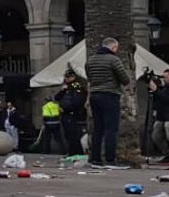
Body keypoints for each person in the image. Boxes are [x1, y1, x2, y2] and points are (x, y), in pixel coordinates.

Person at [83, 37, 131, 166]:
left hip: (95, 95)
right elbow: (125, 79)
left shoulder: (90, 60)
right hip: (110, 95)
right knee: (111, 128)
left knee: (98, 128)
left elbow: (89, 76)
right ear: (113, 47)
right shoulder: (114, 60)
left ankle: (95, 159)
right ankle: (110, 159)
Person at [54, 73, 87, 155]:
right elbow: (57, 97)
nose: (66, 78)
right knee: (67, 134)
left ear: (73, 77)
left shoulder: (76, 87)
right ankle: (71, 152)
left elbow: (77, 101)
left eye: (68, 77)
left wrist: (66, 108)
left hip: (72, 113)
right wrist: (62, 90)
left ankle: (76, 152)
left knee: (73, 134)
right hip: (65, 114)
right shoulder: (66, 87)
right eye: (65, 77)